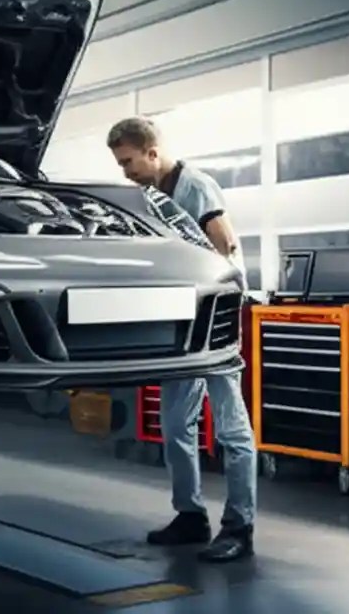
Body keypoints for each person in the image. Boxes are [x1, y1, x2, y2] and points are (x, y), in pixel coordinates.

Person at [106, 115, 258, 563]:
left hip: (214, 320)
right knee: (175, 425)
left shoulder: (196, 186)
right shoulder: (151, 196)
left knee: (231, 428)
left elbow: (225, 245)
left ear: (152, 153)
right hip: (179, 323)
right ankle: (190, 515)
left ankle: (240, 526)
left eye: (129, 162)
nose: (125, 172)